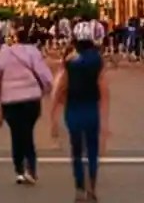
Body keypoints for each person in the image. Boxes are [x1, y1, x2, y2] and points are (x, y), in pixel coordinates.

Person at [0, 23, 53, 185]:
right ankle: (31, 168)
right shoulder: (33, 53)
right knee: (27, 132)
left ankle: (19, 170)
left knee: (16, 134)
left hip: (11, 101)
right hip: (31, 99)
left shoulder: (4, 54)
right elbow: (45, 75)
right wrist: (45, 90)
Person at [50, 21, 109, 202]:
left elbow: (60, 87)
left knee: (76, 150)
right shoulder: (98, 60)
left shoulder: (70, 62)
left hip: (73, 109)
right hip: (91, 108)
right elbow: (103, 87)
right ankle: (92, 185)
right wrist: (105, 118)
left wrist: (53, 115)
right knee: (92, 150)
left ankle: (79, 188)